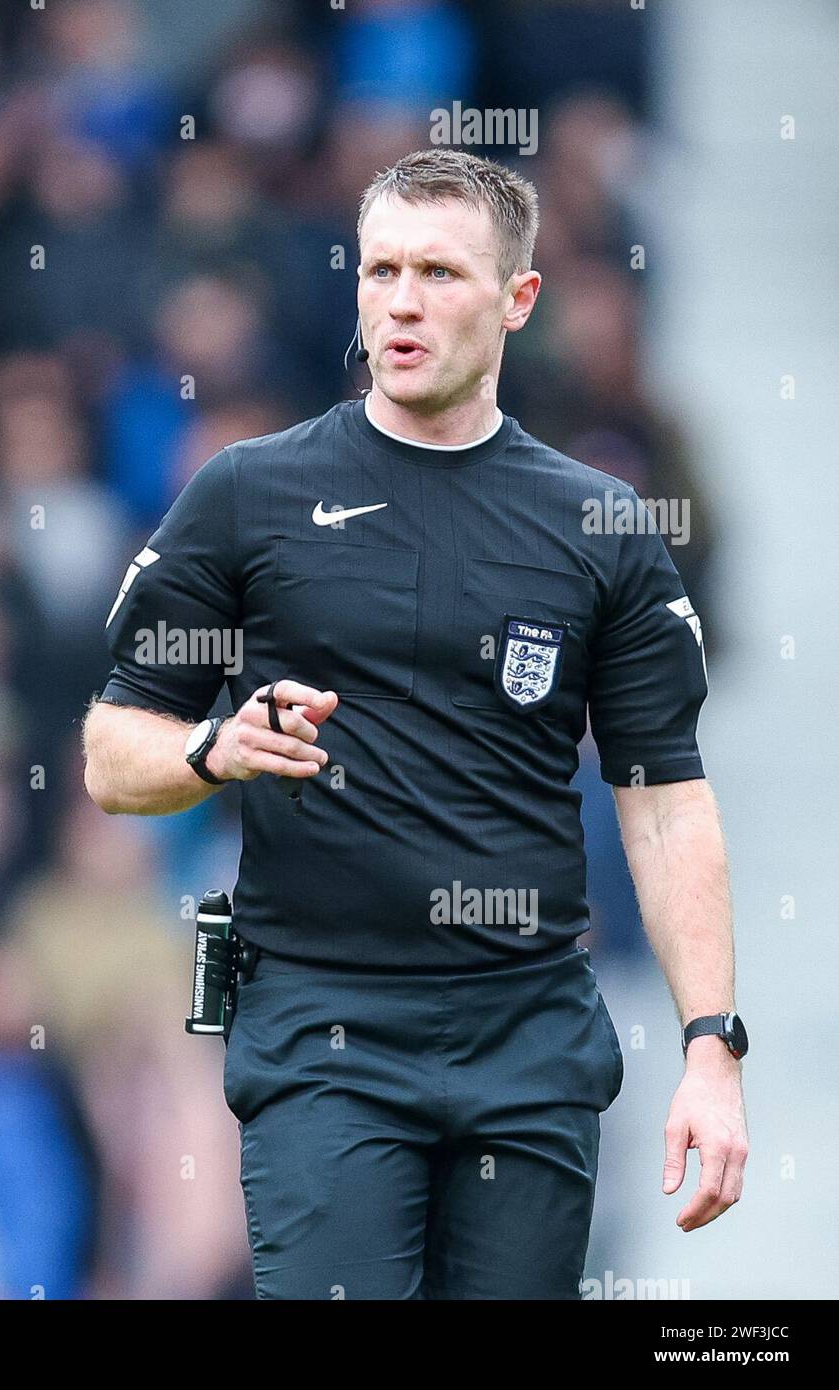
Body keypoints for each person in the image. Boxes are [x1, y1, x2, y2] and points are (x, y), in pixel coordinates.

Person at [81, 149, 748, 1300]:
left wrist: (710, 1051)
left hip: (527, 1032)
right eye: (379, 268)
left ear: (517, 300)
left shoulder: (599, 524)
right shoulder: (248, 493)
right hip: (320, 1031)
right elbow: (108, 752)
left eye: (438, 272)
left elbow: (665, 802)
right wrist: (212, 747)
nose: (399, 299)